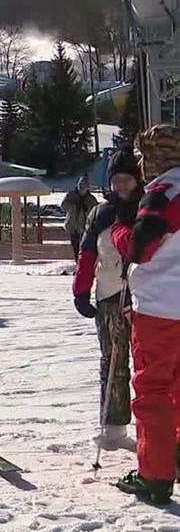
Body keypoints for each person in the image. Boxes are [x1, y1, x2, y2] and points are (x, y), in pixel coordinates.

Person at [110, 124, 180, 504]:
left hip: (160, 306)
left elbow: (141, 247)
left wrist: (122, 227)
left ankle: (154, 474)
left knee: (152, 388)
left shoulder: (164, 191)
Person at [72, 147, 143, 448]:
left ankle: (155, 428)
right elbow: (87, 255)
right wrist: (80, 290)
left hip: (143, 296)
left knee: (148, 363)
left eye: (127, 180)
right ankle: (113, 425)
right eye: (117, 180)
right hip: (110, 295)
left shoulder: (148, 208)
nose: (122, 186)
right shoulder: (101, 213)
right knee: (114, 361)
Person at [62, 175, 99, 261]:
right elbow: (63, 206)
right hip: (72, 226)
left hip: (84, 227)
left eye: (84, 186)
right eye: (81, 186)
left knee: (83, 248)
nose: (82, 188)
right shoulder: (71, 195)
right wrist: (72, 205)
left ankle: (81, 265)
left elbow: (95, 212)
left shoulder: (91, 199)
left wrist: (87, 209)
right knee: (75, 247)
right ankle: (77, 263)